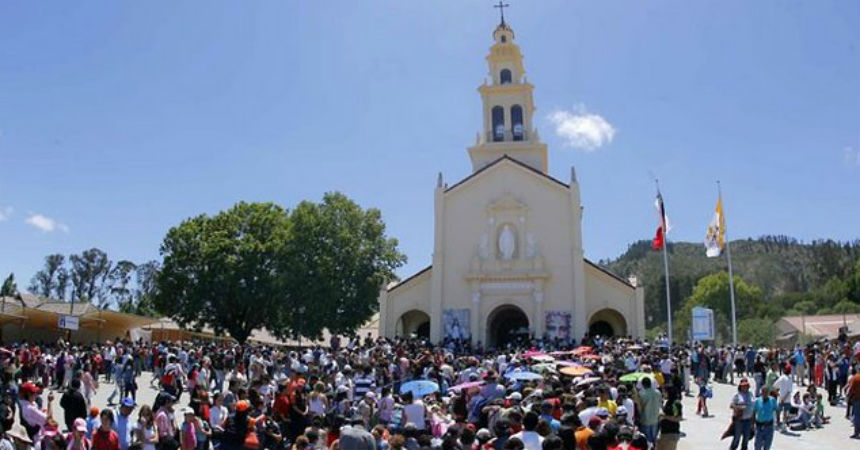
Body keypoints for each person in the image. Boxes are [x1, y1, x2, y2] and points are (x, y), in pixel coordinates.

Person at [729, 378, 754, 450]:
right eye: (743, 386)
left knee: (746, 437)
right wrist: (738, 407)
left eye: (746, 386)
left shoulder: (751, 394)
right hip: (739, 420)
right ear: (740, 386)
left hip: (748, 419)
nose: (745, 387)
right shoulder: (737, 395)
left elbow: (754, 405)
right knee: (737, 437)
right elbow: (731, 405)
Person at [638, 377, 662, 446]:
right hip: (655, 419)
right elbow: (660, 403)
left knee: (647, 441)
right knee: (654, 439)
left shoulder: (641, 394)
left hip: (645, 420)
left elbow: (640, 407)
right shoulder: (658, 392)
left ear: (643, 385)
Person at [846, 367, 860, 439]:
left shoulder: (855, 378)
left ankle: (857, 432)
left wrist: (848, 396)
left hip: (857, 399)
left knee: (857, 416)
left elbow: (851, 389)